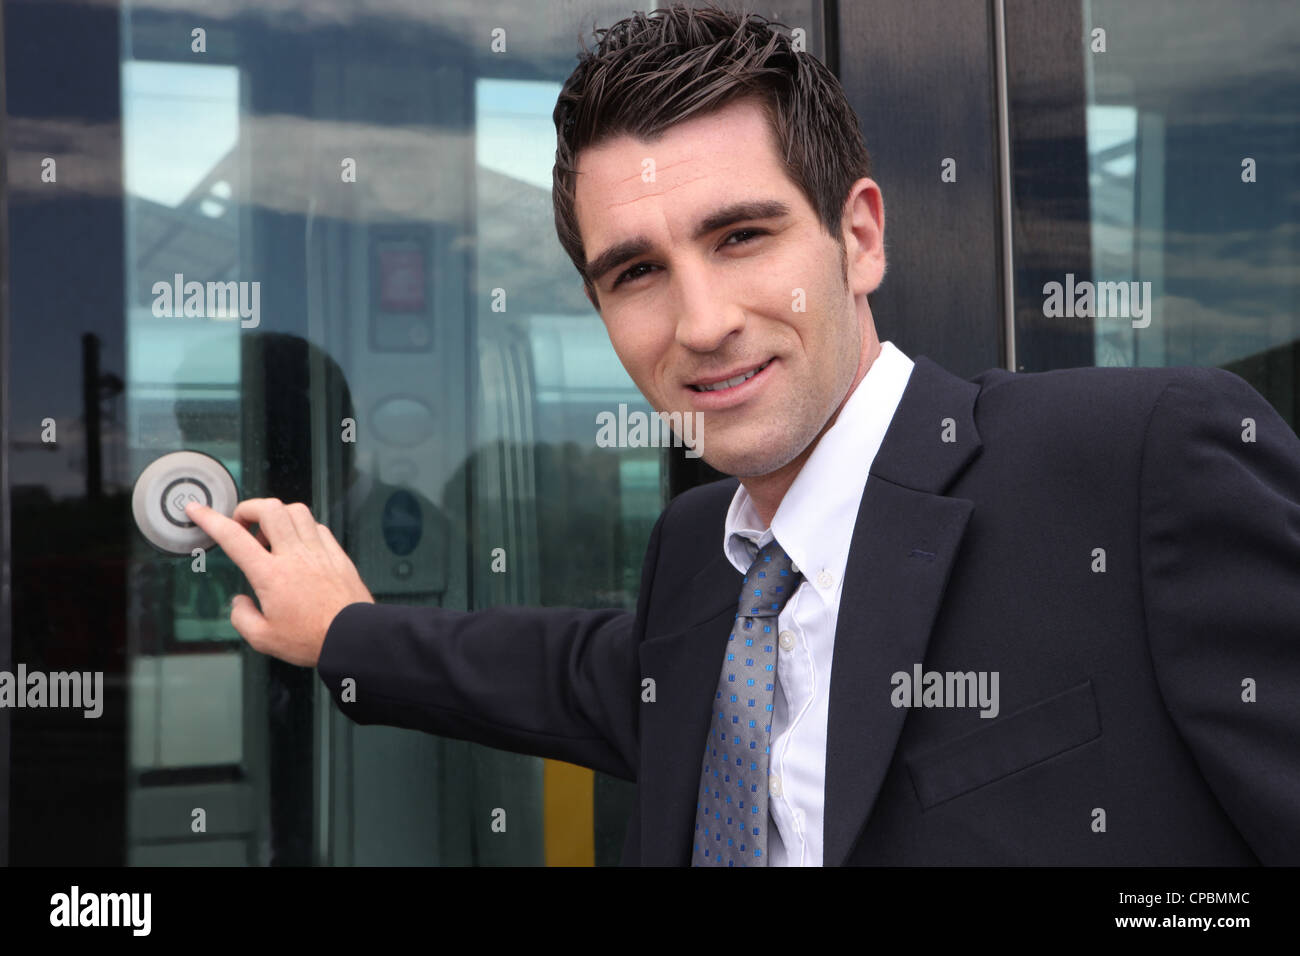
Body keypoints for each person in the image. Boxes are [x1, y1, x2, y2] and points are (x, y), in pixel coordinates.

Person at [185, 3, 1300, 866]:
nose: (702, 321)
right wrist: (341, 632)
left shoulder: (1136, 463)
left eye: (741, 236)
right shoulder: (699, 555)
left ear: (857, 239)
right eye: (635, 272)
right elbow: (577, 675)